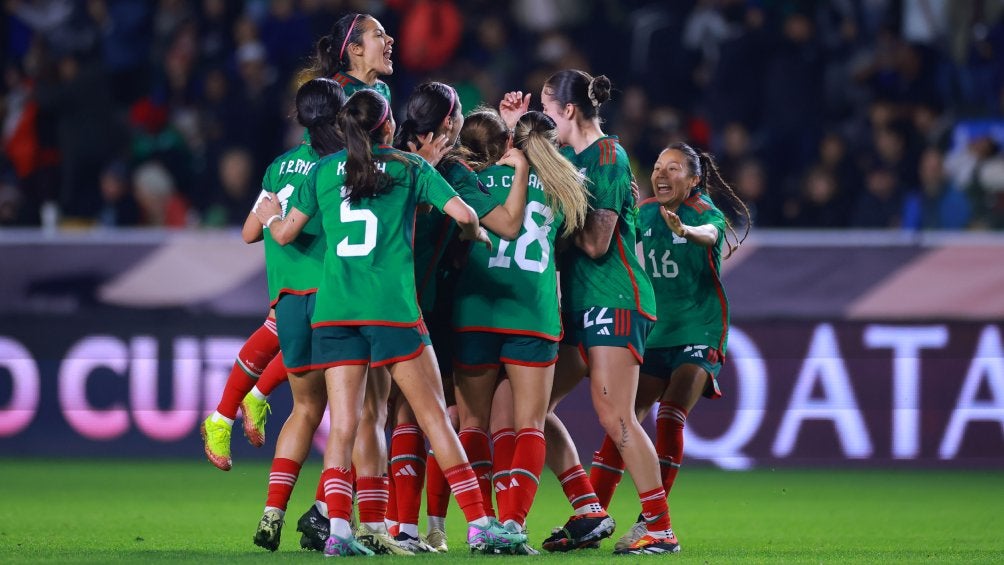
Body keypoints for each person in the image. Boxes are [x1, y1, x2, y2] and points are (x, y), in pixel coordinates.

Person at [254, 89, 527, 556]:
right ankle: (481, 525)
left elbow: (283, 233)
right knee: (434, 418)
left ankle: (339, 532)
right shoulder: (410, 167)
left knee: (345, 427)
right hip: (393, 311)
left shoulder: (322, 171)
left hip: (335, 313)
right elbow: (463, 214)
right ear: (387, 127)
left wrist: (269, 213)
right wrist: (471, 232)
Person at [504, 69, 675, 555]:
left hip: (614, 296)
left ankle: (660, 527)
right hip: (579, 304)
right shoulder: (570, 160)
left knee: (615, 414)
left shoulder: (607, 155)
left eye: (546, 109)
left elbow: (598, 243)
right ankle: (588, 509)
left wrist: (548, 182)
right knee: (531, 410)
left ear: (569, 111)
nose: (543, 118)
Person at [386, 81, 530, 553]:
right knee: (429, 414)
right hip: (420, 310)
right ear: (449, 123)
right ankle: (460, 524)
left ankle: (373, 524)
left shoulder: (376, 155)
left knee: (367, 417)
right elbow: (506, 225)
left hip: (359, 302)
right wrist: (520, 166)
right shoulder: (450, 172)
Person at [588, 141, 750, 551]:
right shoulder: (643, 213)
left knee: (671, 414)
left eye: (674, 168)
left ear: (694, 180)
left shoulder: (702, 212)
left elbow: (710, 233)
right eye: (659, 167)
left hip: (700, 329)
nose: (662, 174)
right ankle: (589, 515)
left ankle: (649, 524)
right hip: (658, 333)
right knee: (621, 421)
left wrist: (685, 231)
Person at [451, 108, 590, 552]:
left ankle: (482, 523)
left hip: (476, 309)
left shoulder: (477, 180)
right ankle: (513, 525)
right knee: (530, 423)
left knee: (472, 423)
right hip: (533, 312)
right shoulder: (561, 187)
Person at [239, 77, 347, 552]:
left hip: (288, 305)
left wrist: (270, 214)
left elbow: (249, 232)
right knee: (355, 416)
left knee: (305, 409)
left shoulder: (278, 166)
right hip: (336, 300)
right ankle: (332, 517)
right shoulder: (339, 167)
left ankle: (272, 514)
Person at [298, 12, 394, 101]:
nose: (390, 39)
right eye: (378, 35)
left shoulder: (383, 89)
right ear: (356, 48)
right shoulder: (333, 94)